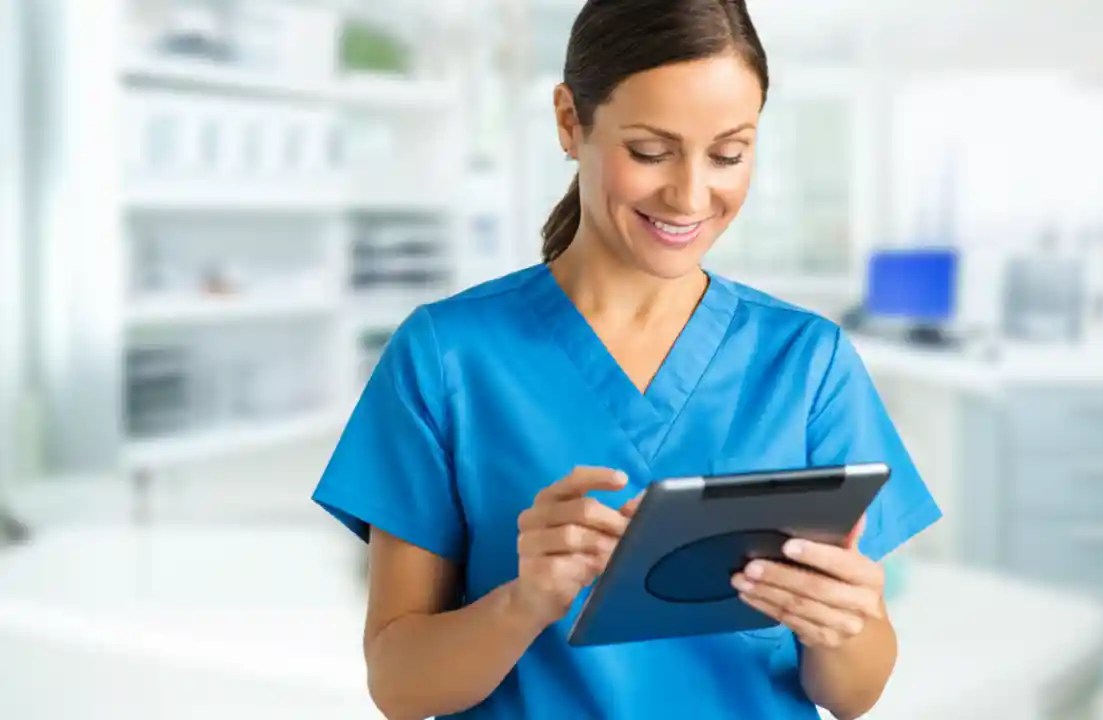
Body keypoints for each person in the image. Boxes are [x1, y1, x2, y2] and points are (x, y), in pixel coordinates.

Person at [312, 1, 940, 718]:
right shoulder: (446, 358)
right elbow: (398, 684)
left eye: (730, 154)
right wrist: (524, 603)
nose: (691, 194)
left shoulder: (807, 363)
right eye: (649, 151)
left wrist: (842, 625)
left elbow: (856, 692)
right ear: (569, 123)